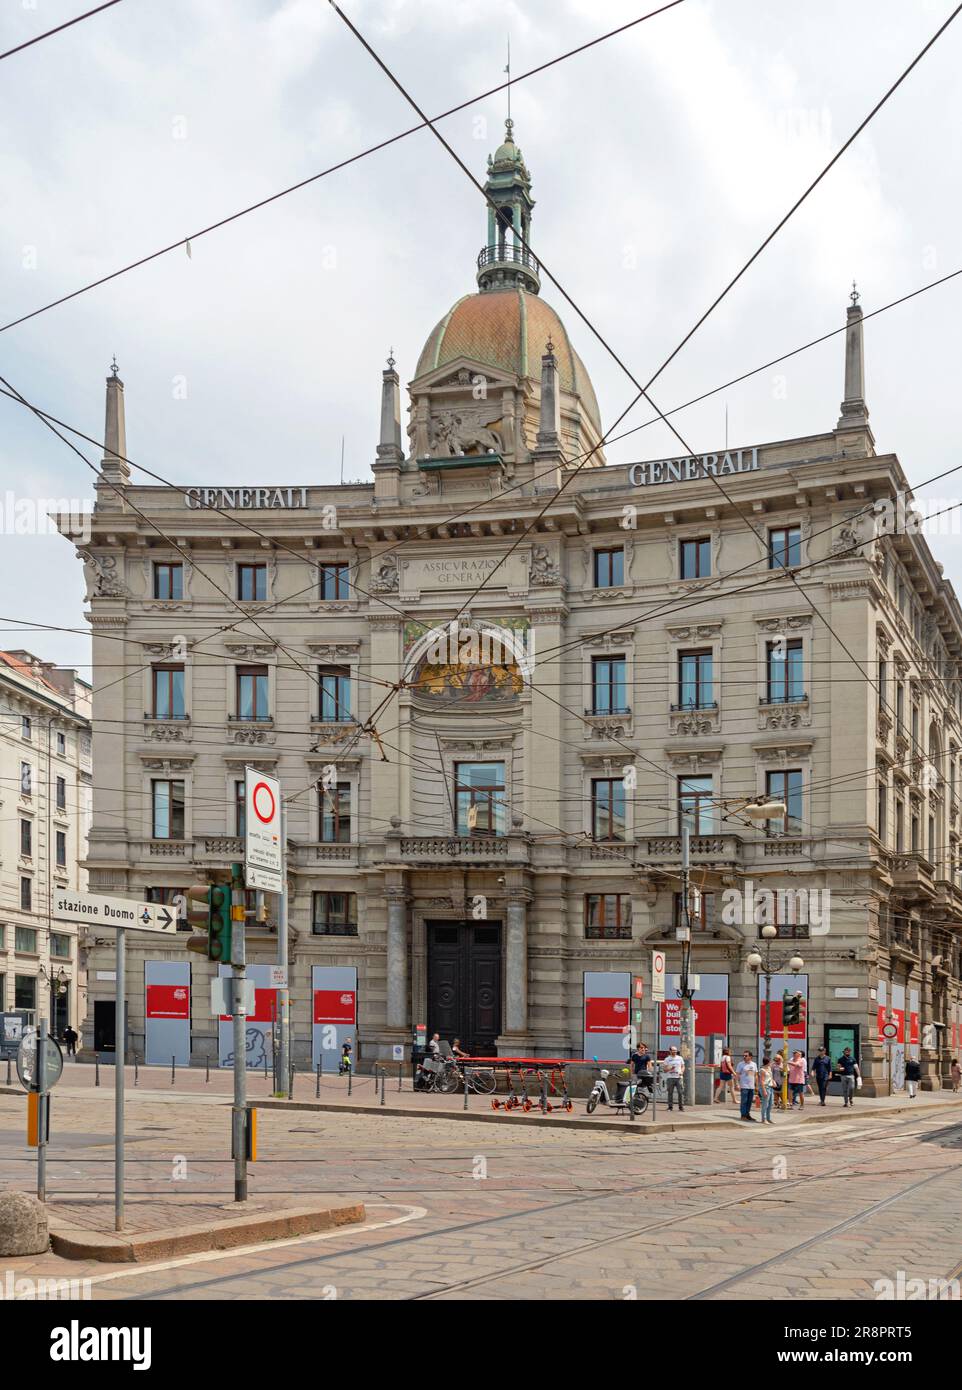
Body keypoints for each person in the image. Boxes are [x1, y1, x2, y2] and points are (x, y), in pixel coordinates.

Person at [736, 1050, 759, 1120]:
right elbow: (737, 1074)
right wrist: (737, 1084)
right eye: (743, 1055)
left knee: (749, 1101)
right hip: (744, 1086)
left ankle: (747, 1114)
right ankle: (743, 1115)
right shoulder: (740, 1064)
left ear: (750, 1057)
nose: (744, 1057)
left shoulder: (754, 1064)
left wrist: (757, 1085)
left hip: (751, 1086)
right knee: (744, 1101)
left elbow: (756, 1075)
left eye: (746, 1056)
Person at [662, 1045, 685, 1111]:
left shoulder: (680, 1058)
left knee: (680, 1092)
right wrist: (670, 1068)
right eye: (673, 1050)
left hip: (679, 1077)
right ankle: (670, 1107)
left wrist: (682, 1072)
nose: (675, 1051)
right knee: (670, 1093)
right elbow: (664, 1070)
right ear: (670, 1051)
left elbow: (683, 1066)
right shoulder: (667, 1059)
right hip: (670, 1078)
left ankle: (681, 1107)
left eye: (675, 1050)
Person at [758, 1055, 776, 1124]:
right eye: (770, 1061)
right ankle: (764, 1119)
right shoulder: (762, 1070)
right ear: (767, 1062)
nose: (771, 1063)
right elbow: (762, 1081)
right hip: (765, 1087)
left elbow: (770, 1077)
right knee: (765, 1104)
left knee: (770, 1103)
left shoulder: (769, 1068)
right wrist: (764, 1091)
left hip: (770, 1087)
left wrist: (773, 1082)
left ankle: (768, 1118)